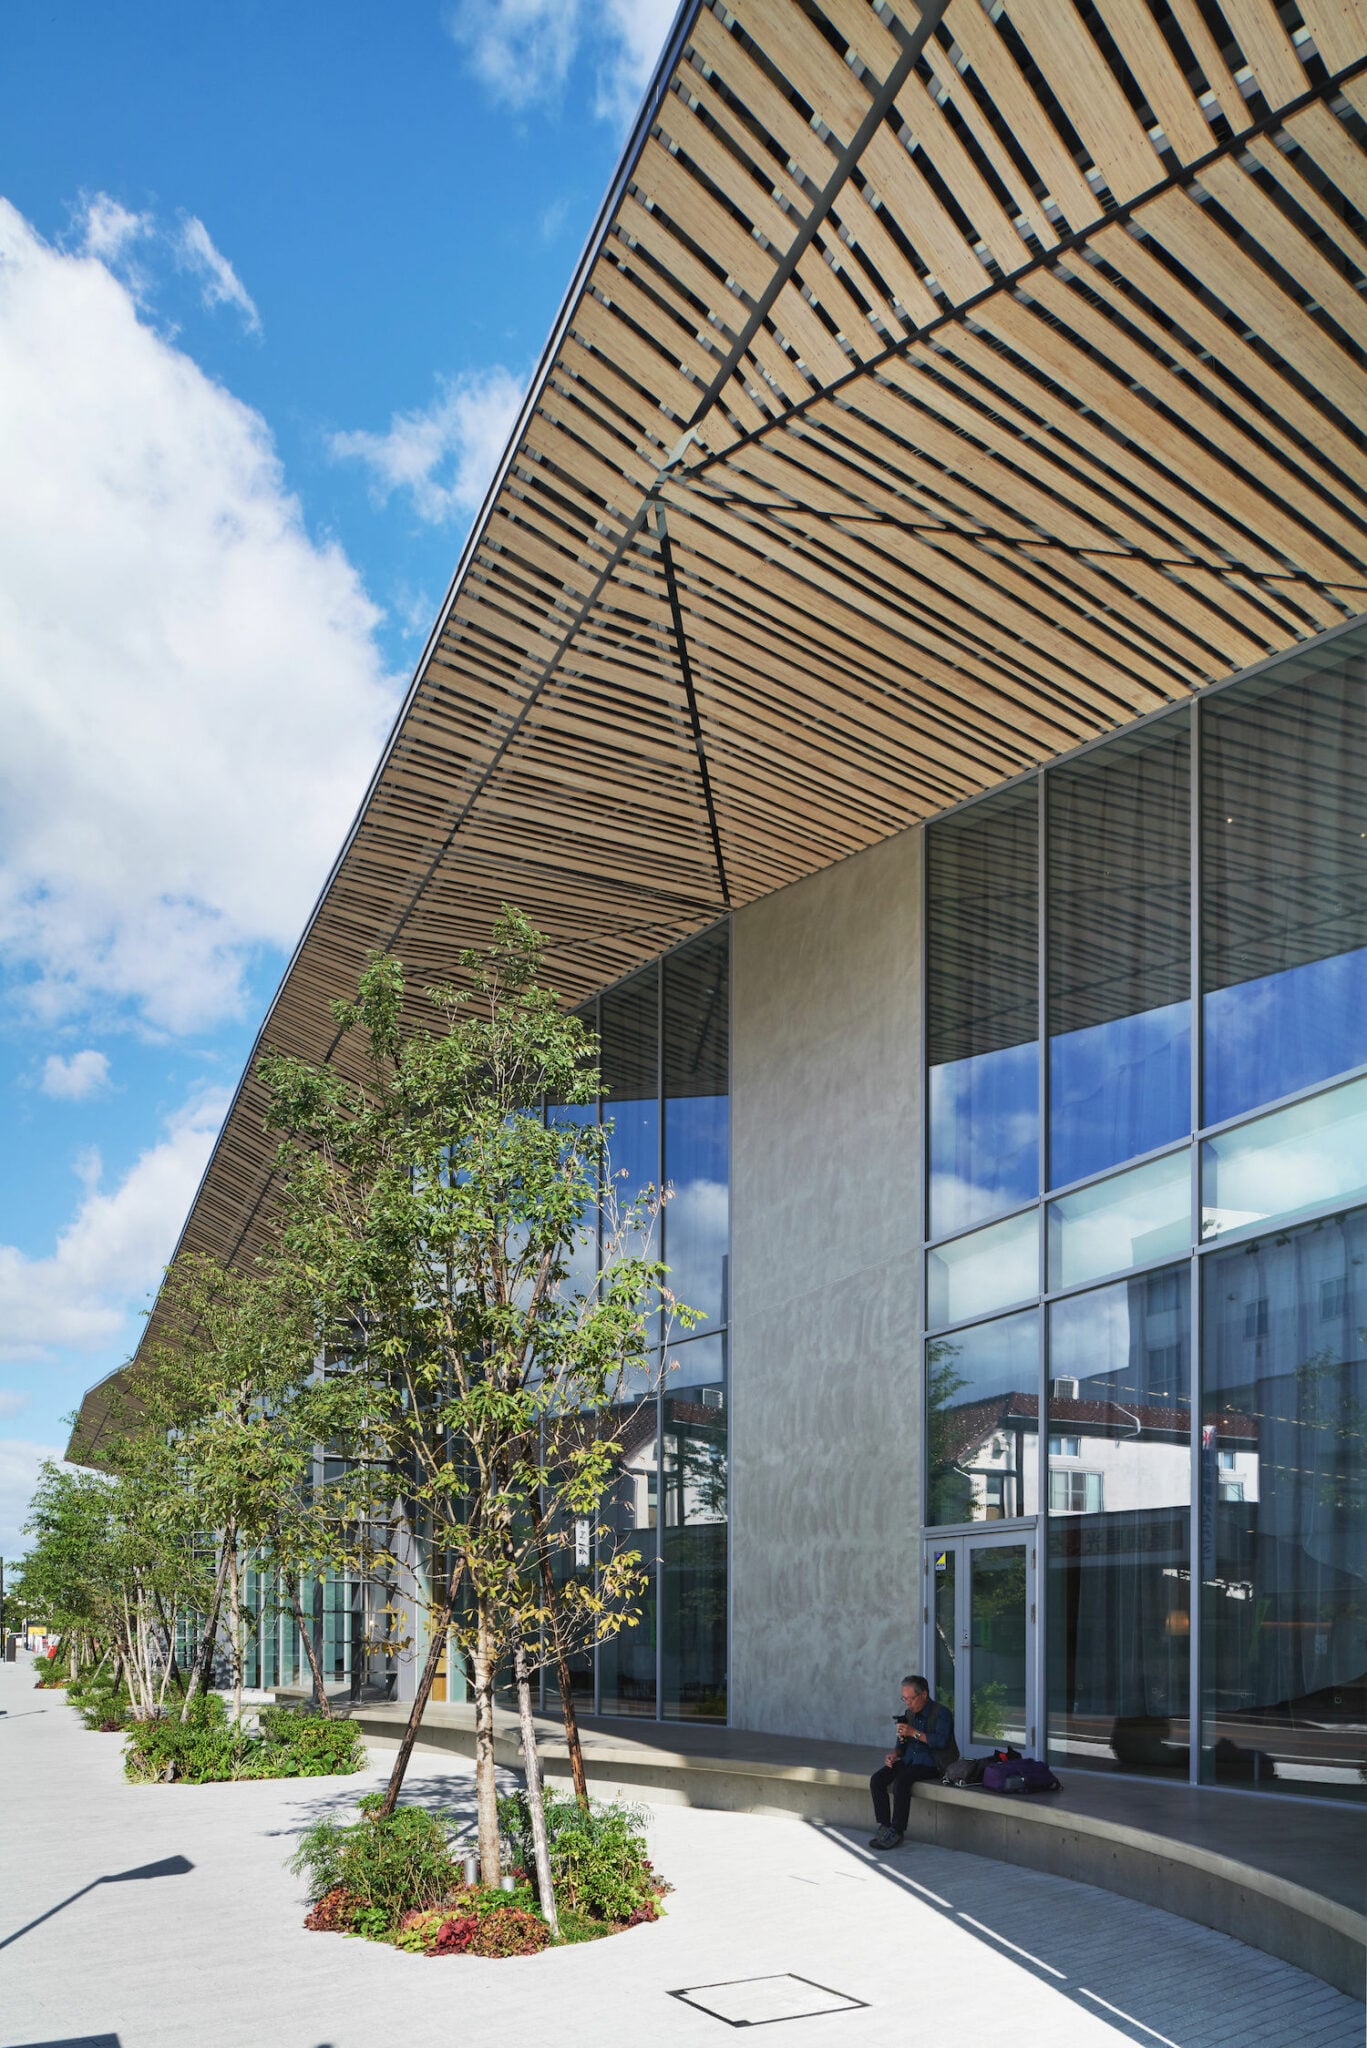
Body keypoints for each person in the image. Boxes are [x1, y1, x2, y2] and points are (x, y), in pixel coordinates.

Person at [868, 1674, 955, 1849]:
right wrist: (895, 1754)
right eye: (904, 1698)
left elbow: (941, 1741)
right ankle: (885, 1825)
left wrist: (914, 1732)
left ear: (924, 1695)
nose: (908, 1703)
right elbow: (902, 1742)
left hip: (933, 1762)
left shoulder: (941, 1713)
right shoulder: (909, 1714)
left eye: (911, 1698)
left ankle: (897, 1830)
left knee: (902, 1782)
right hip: (909, 1760)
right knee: (877, 1779)